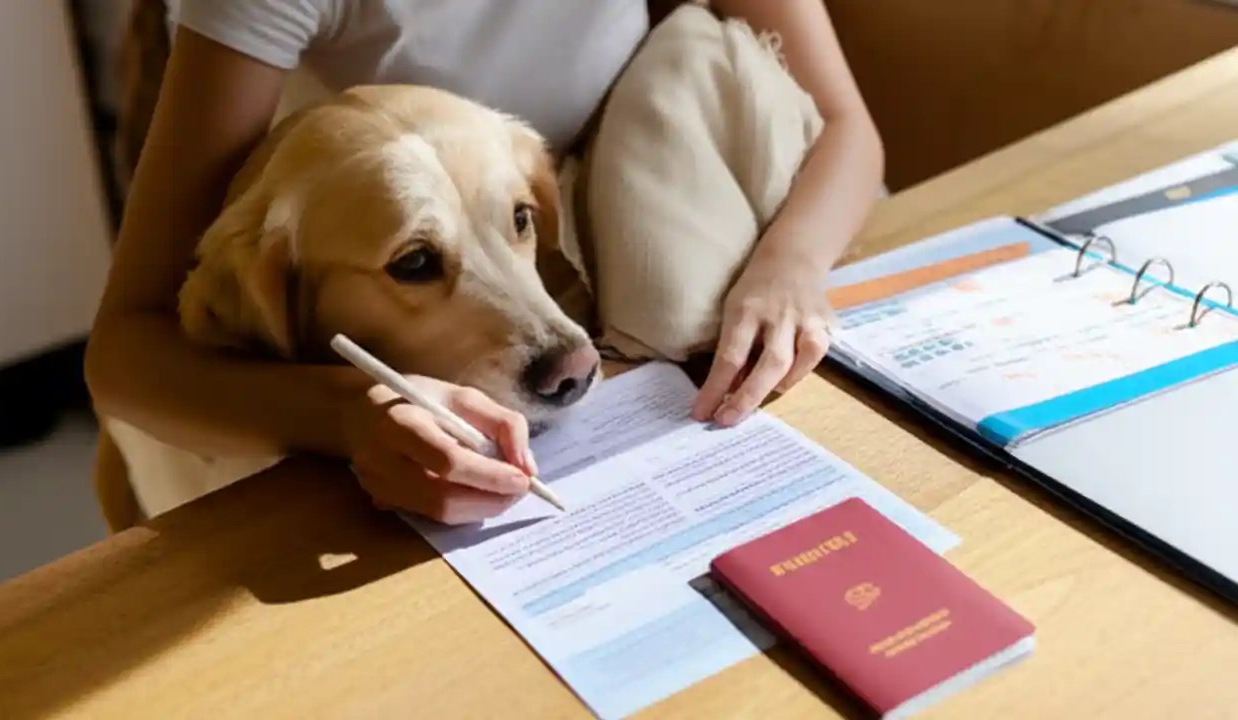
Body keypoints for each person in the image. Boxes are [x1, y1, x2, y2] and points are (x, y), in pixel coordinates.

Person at [85, 0, 884, 524]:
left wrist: (789, 267)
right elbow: (126, 352)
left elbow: (848, 124)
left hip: (606, 243)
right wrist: (345, 412)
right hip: (361, 363)